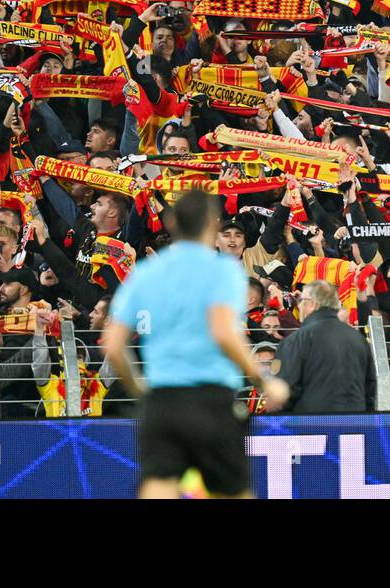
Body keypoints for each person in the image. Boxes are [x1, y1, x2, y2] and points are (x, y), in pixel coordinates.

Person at [102, 190, 289, 499]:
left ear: (172, 221)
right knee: (233, 491)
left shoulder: (147, 271)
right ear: (211, 225)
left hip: (162, 400)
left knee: (158, 486)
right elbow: (224, 332)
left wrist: (138, 390)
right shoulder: (222, 270)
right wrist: (263, 380)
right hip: (210, 400)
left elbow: (112, 344)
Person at [274, 279, 376, 413]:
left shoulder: (296, 340)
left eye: (301, 301)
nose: (299, 306)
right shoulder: (359, 340)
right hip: (353, 425)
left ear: (312, 304)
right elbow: (370, 388)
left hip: (311, 426)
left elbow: (285, 391)